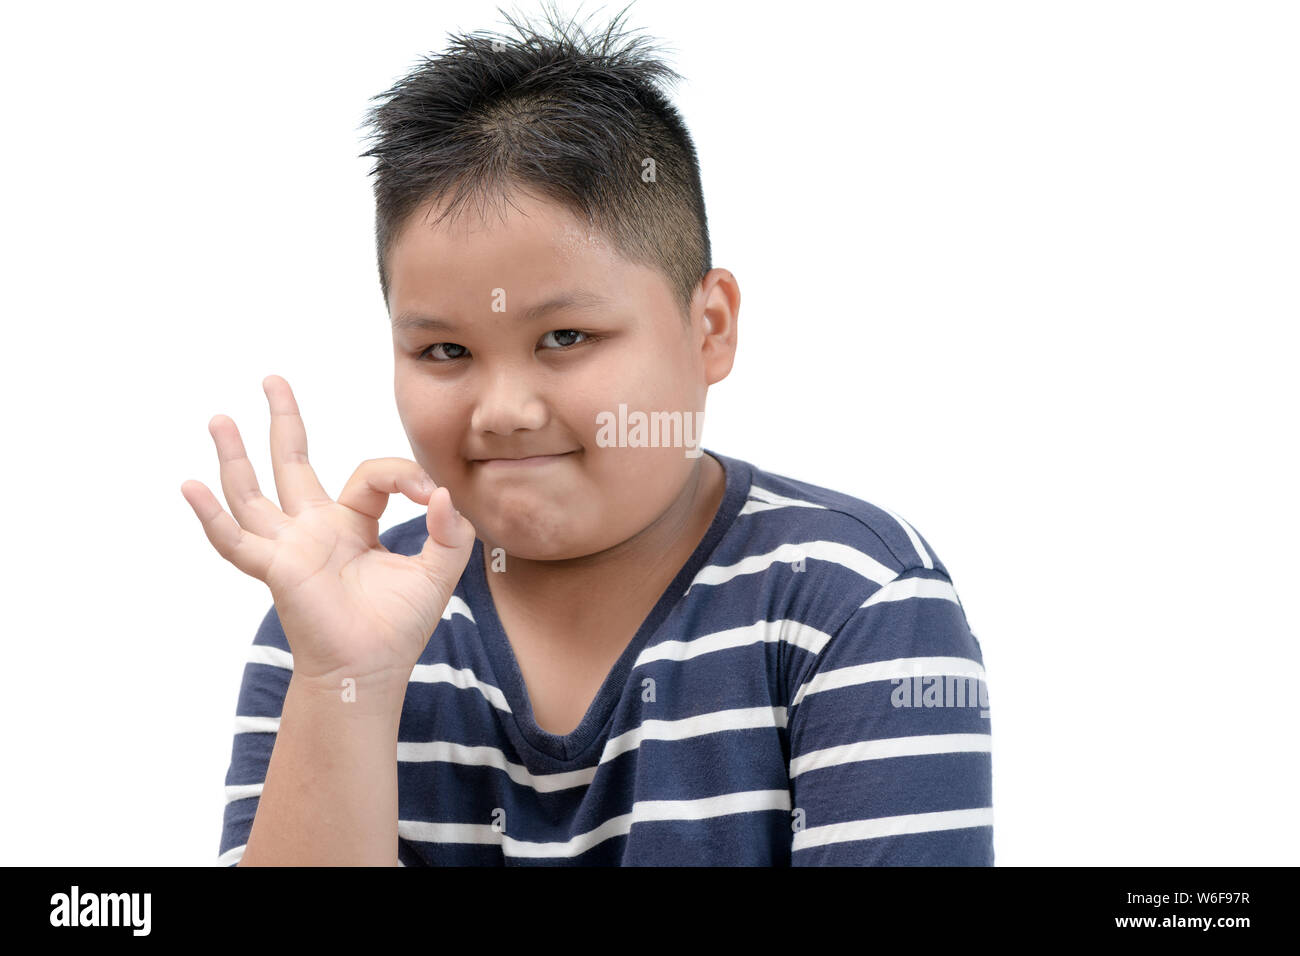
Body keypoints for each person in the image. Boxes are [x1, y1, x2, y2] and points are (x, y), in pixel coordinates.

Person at [182, 3, 994, 866]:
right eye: (444, 349)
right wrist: (348, 683)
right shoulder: (329, 625)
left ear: (709, 327)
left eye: (565, 339)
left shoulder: (853, 602)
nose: (505, 409)